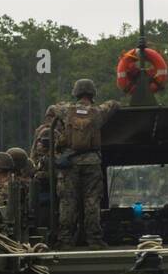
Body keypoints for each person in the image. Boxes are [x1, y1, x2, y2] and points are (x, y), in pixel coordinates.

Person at [43, 78, 120, 248]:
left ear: (76, 93)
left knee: (67, 201)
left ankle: (65, 240)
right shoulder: (98, 112)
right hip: (92, 162)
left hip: (69, 163)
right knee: (92, 201)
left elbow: (51, 109)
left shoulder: (65, 110)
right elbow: (114, 104)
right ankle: (94, 239)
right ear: (92, 94)